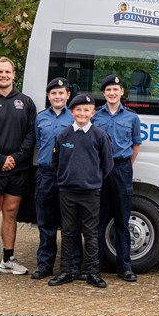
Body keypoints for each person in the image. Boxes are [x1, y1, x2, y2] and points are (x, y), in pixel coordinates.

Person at [0, 57, 37, 277]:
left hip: (18, 169)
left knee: (10, 212)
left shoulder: (26, 102)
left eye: (8, 72)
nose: (4, 75)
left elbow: (32, 134)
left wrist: (17, 158)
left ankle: (8, 259)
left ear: (14, 75)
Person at [49, 93, 114, 289]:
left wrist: (94, 180)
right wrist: (65, 179)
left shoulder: (100, 136)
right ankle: (66, 271)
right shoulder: (64, 135)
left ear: (93, 113)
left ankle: (92, 272)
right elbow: (56, 162)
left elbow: (107, 164)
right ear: (72, 112)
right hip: (67, 192)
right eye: (78, 110)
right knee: (68, 232)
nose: (82, 113)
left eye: (86, 110)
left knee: (91, 233)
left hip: (91, 192)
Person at [93, 74, 143, 282]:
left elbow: (136, 146)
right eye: (108, 90)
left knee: (122, 220)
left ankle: (125, 266)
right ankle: (94, 267)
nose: (112, 93)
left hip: (122, 169)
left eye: (116, 89)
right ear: (104, 93)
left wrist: (122, 167)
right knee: (99, 220)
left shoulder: (131, 117)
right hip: (100, 170)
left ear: (122, 92)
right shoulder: (96, 116)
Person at [31, 77, 75, 280]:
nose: (57, 96)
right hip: (46, 175)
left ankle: (72, 266)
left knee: (70, 223)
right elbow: (39, 144)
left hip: (68, 176)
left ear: (68, 95)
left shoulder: (75, 118)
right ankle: (45, 265)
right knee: (46, 223)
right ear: (49, 96)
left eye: (61, 93)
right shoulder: (40, 118)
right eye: (54, 93)